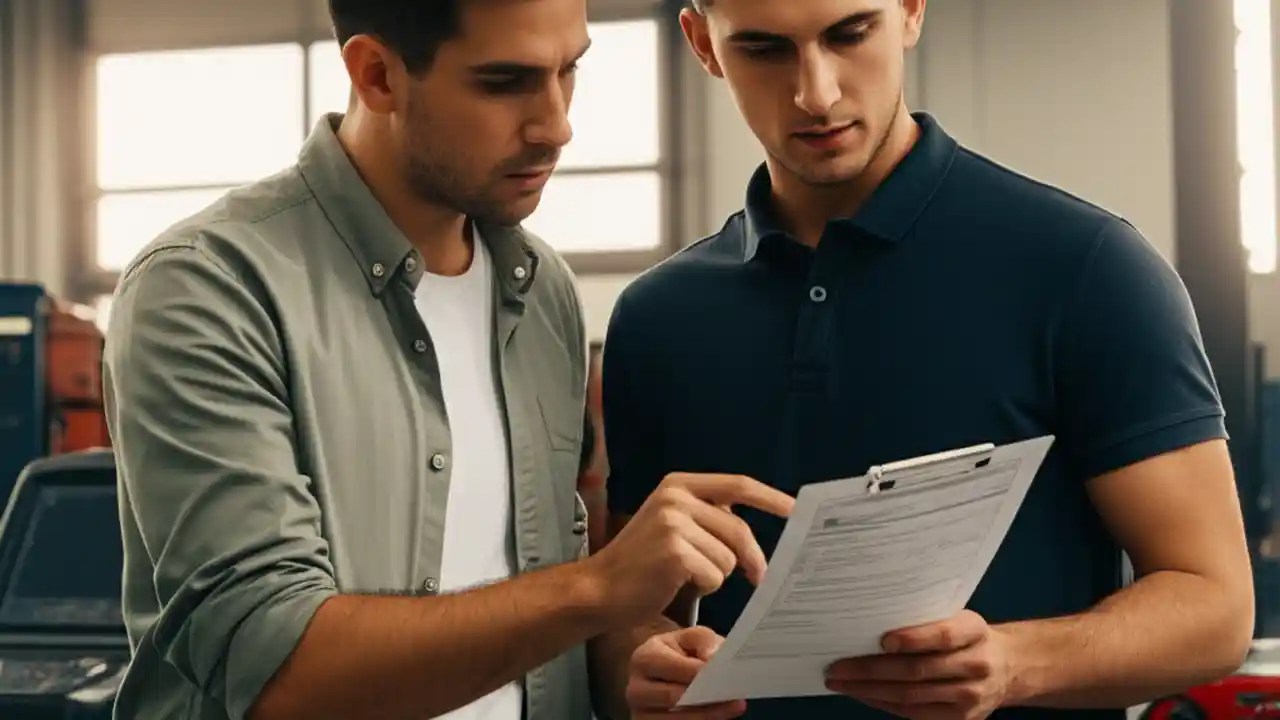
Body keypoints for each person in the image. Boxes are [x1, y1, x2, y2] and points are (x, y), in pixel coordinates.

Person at [100, 1, 793, 719]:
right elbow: (276, 674)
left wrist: (636, 669)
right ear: (376, 75)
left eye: (569, 70)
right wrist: (598, 588)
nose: (556, 125)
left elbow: (537, 613)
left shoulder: (541, 289)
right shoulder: (207, 289)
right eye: (503, 81)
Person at [592, 1, 1256, 719]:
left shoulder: (1087, 268)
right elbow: (624, 614)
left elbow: (1214, 608)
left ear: (910, 10)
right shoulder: (657, 318)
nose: (815, 92)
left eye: (850, 34)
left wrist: (1012, 664)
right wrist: (640, 665)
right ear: (703, 44)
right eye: (764, 49)